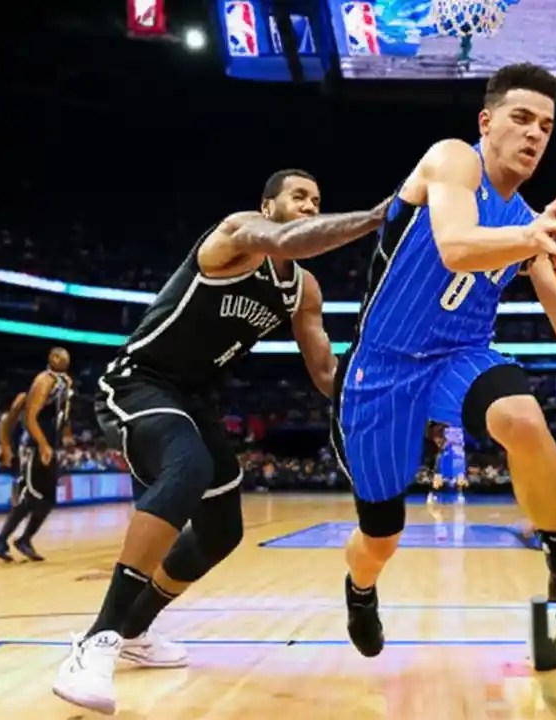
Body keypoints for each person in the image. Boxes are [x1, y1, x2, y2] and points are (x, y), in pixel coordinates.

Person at [52, 169, 389, 715]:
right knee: (185, 469)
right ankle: (98, 640)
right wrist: (377, 217)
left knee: (221, 530)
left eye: (317, 200)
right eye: (299, 196)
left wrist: (382, 385)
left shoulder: (305, 289)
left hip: (194, 399)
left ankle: (136, 631)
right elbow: (283, 241)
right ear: (267, 205)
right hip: (139, 382)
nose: (309, 206)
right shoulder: (238, 235)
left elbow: (326, 372)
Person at [332, 62, 556, 660]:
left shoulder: (529, 221)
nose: (533, 135)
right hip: (383, 366)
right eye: (521, 119)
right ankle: (360, 590)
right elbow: (455, 245)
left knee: (522, 417)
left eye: (546, 127)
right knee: (381, 536)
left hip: (460, 355)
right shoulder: (453, 159)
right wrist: (534, 238)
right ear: (486, 121)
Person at [0, 352, 72, 563]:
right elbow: (7, 423)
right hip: (31, 448)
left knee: (48, 499)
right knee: (29, 498)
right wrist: (7, 448)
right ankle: (0, 540)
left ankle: (23, 539)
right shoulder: (30, 393)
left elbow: (63, 413)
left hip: (47, 446)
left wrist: (65, 433)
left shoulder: (62, 385)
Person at [0, 391, 28, 501]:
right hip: (13, 450)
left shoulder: (20, 419)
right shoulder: (7, 418)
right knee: (18, 477)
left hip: (18, 449)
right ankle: (16, 499)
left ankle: (18, 499)